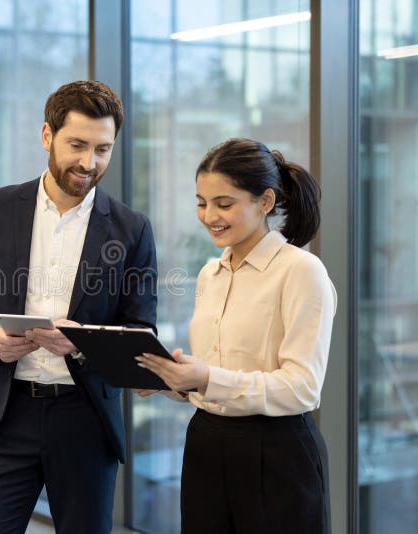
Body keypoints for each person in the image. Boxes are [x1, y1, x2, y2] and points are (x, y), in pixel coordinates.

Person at [0, 80, 157, 534]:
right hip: (5, 417)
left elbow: (139, 328)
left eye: (103, 149)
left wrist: (82, 343)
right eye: (77, 145)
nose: (89, 162)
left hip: (85, 420)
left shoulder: (132, 229)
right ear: (47, 136)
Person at [136, 138, 336, 534]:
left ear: (265, 202)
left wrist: (207, 379)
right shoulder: (211, 273)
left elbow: (303, 388)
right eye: (201, 202)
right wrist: (166, 381)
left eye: (223, 204)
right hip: (206, 444)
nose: (209, 216)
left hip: (277, 452)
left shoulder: (301, 271)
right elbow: (213, 377)